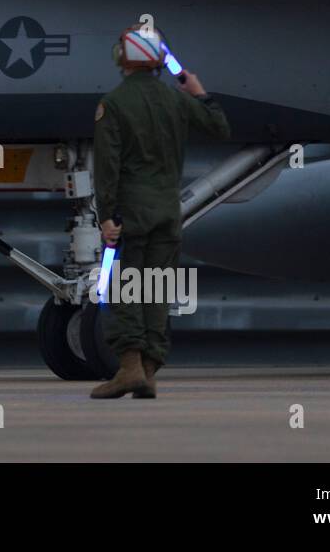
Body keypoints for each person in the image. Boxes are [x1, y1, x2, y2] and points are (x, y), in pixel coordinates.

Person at [89, 23, 230, 399]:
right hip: (169, 211)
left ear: (124, 57)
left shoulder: (114, 104)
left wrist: (106, 216)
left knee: (123, 289)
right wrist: (199, 94)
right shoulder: (177, 101)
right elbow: (220, 128)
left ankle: (130, 367)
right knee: (157, 289)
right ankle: (149, 373)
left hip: (130, 213)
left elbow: (107, 167)